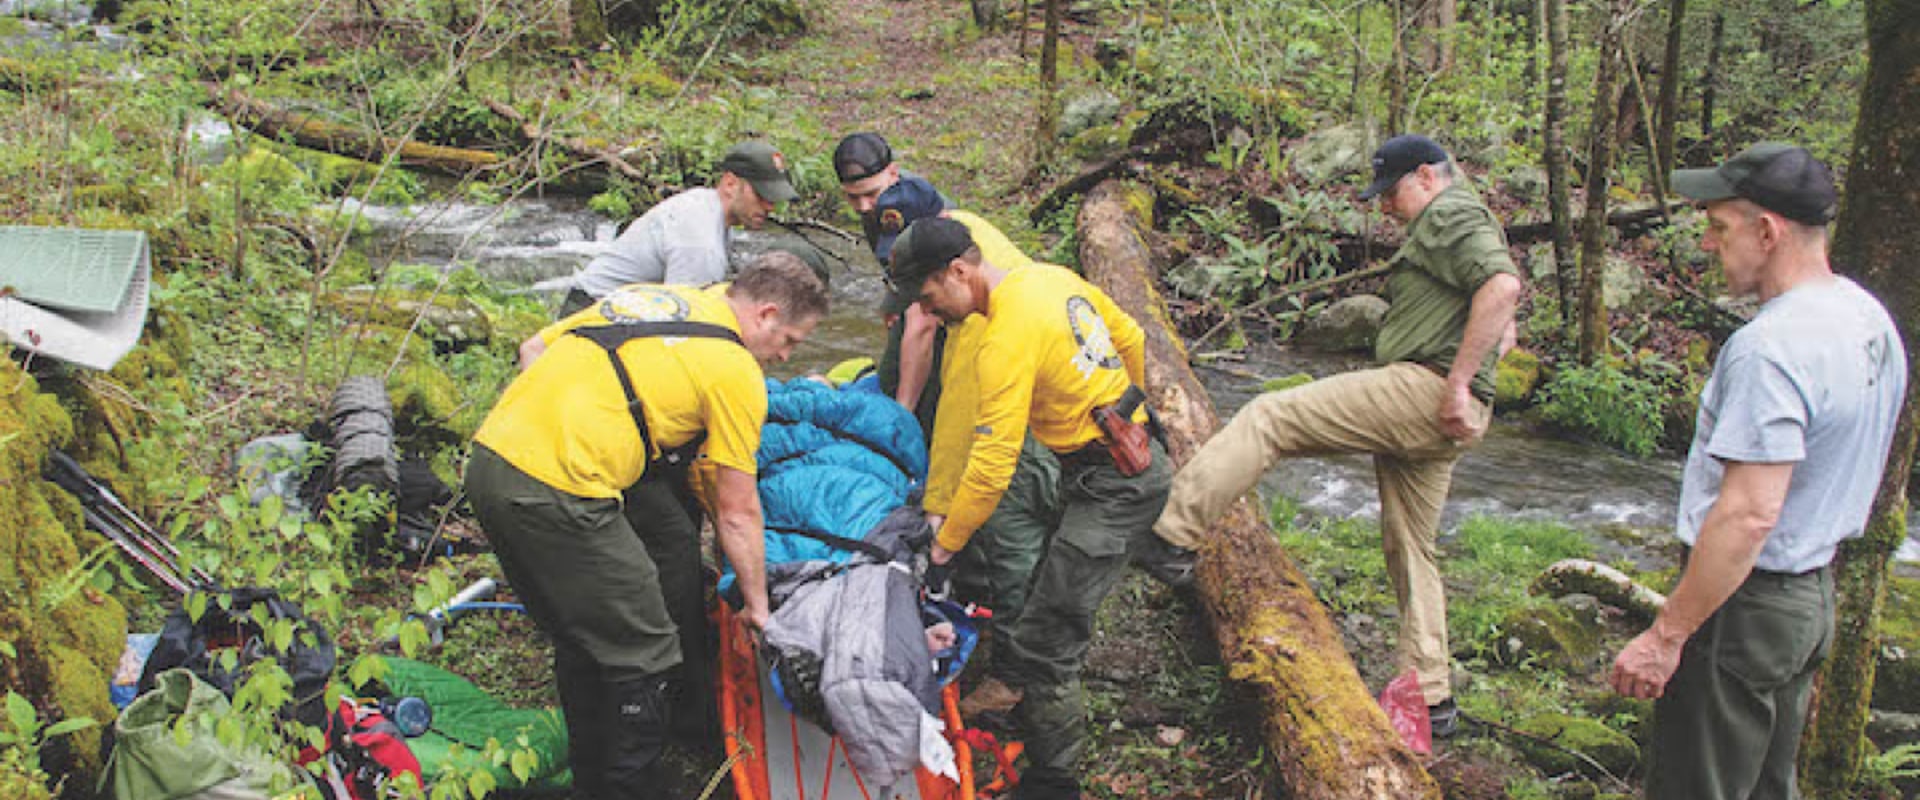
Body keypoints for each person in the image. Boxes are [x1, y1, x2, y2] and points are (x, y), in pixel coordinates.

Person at [1151, 134, 1523, 737]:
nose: (1385, 207)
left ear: (1427, 176)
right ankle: (1432, 695)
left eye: (1392, 192)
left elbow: (1503, 289)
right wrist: (1483, 364)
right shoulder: (1465, 219)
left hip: (1424, 391)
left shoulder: (1450, 212)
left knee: (1270, 418)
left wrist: (1457, 382)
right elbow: (1501, 306)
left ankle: (1169, 534)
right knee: (1412, 545)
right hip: (1449, 408)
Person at [466, 252, 829, 799]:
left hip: (491, 459)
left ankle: (626, 749)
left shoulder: (656, 297)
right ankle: (631, 785)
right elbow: (737, 508)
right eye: (790, 342)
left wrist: (570, 422)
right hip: (558, 490)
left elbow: (533, 349)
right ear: (767, 313)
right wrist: (758, 607)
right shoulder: (735, 370)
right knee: (644, 648)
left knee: (647, 563)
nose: (783, 356)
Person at [1608, 143, 1905, 800]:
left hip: (1743, 607)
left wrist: (1667, 634)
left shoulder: (1771, 349)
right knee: (1771, 788)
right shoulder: (1865, 319)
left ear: (1766, 231)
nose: (1709, 246)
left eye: (1718, 227)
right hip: (1808, 600)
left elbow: (1748, 514)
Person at [889, 217, 1171, 800]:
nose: (930, 313)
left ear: (958, 272)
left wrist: (944, 546)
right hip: (1111, 463)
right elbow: (1132, 339)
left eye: (929, 298)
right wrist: (1132, 412)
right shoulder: (1049, 278)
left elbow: (992, 464)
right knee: (1050, 589)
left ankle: (1054, 781)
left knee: (1046, 639)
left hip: (1113, 485)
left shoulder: (1002, 339)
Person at [555, 140, 797, 316]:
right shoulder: (699, 239)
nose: (770, 206)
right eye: (762, 195)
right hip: (593, 315)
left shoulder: (704, 206)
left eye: (774, 198)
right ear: (730, 184)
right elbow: (684, 321)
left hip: (613, 310)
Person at [833, 132, 952, 431]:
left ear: (894, 173)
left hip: (957, 307)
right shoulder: (875, 206)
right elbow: (894, 265)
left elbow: (923, 322)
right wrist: (893, 300)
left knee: (928, 402)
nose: (862, 206)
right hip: (923, 296)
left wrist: (902, 415)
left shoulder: (919, 212)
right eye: (852, 197)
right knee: (891, 376)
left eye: (870, 195)